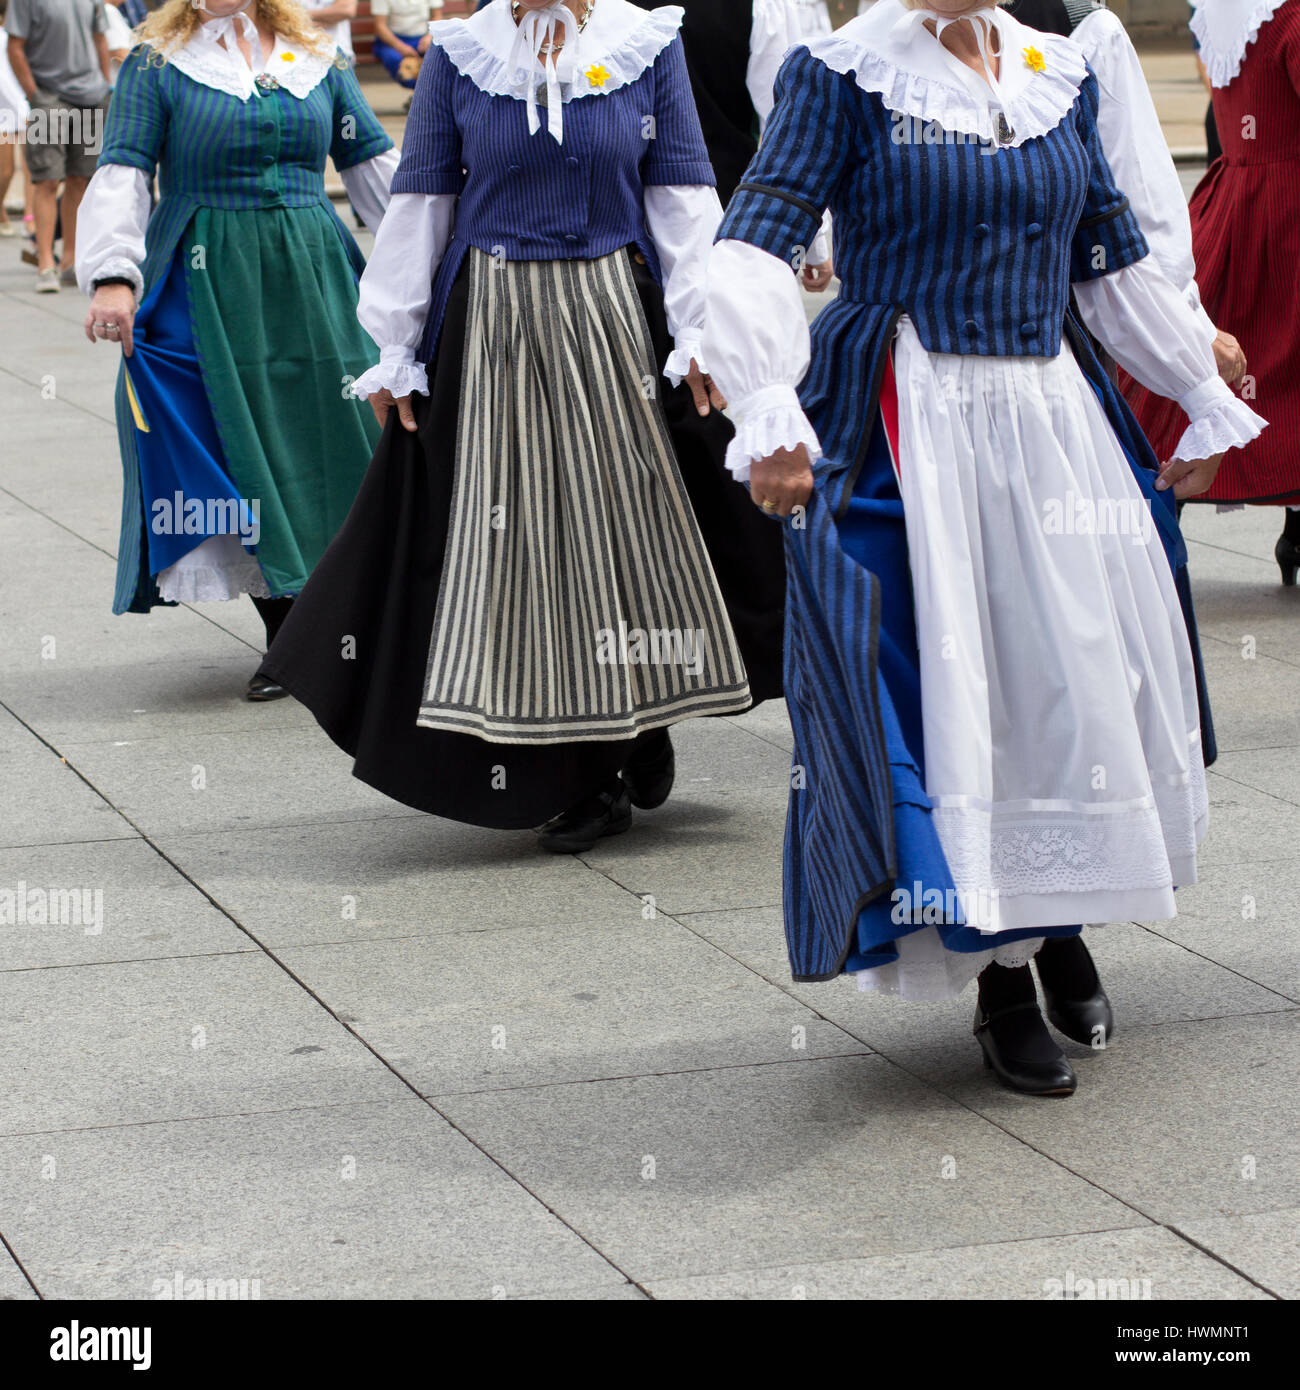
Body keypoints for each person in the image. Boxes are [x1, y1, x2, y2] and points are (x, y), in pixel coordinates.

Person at [704, 0, 1265, 1096]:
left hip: (1050, 420)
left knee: (1061, 685)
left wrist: (1196, 388)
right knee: (942, 695)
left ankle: (1053, 929)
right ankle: (995, 975)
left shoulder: (1063, 69)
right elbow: (755, 238)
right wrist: (768, 406)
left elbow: (1106, 260)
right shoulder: (843, 73)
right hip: (910, 415)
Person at [261, 0, 785, 850]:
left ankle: (642, 721)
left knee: (627, 537)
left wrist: (703, 336)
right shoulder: (462, 56)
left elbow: (682, 197)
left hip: (615, 317)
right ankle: (586, 770)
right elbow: (422, 201)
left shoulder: (645, 45)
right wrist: (396, 344)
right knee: (535, 553)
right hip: (496, 327)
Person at [75, 0, 399, 697]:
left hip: (314, 274)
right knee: (221, 445)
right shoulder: (156, 65)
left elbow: (376, 171)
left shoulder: (317, 59)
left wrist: (434, 256)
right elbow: (124, 170)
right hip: (205, 276)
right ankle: (287, 626)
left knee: (337, 441)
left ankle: (344, 616)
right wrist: (111, 275)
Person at [1123, 0, 1300, 583]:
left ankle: (1156, 492)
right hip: (1286, 205)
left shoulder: (1224, 8)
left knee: (1219, 361)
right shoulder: (1290, 16)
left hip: (1234, 200)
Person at [4, 0, 111, 291]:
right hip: (48, 100)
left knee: (83, 179)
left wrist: (105, 86)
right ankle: (45, 266)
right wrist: (34, 95)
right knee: (46, 180)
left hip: (92, 98)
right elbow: (14, 46)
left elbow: (100, 38)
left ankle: (70, 261)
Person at [0, 0, 30, 239]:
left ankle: (31, 219)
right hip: (7, 112)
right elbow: (5, 81)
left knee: (32, 168)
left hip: (23, 107)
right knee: (6, 170)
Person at [370, 0, 437, 90]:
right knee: (395, 60)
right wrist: (400, 47)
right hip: (392, 40)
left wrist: (429, 36)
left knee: (437, 59)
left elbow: (437, 16)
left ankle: (425, 95)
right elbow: (379, 26)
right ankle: (422, 94)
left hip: (423, 38)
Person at [303, 0, 356, 67]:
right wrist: (329, 16)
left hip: (338, 55)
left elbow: (346, 10)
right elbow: (286, 16)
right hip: (300, 57)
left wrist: (300, 16)